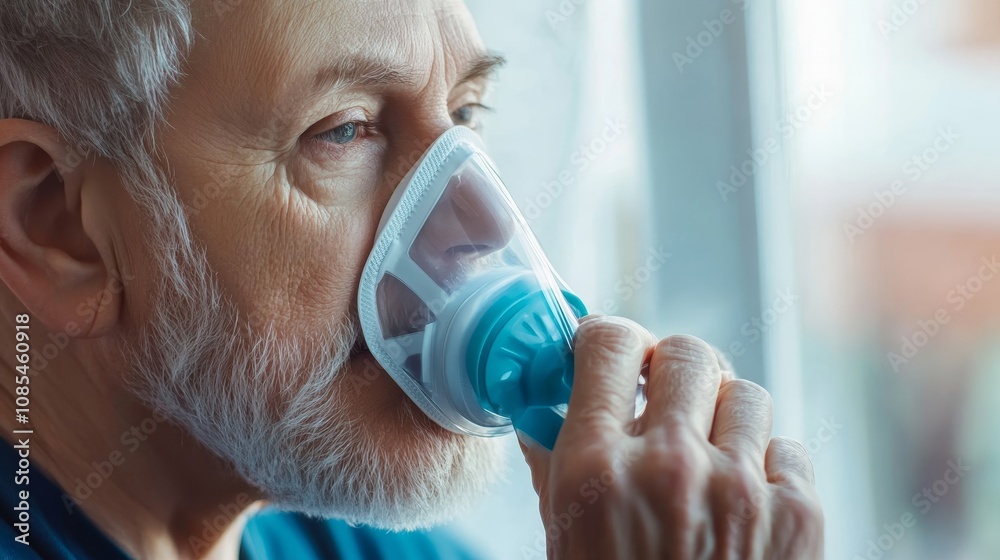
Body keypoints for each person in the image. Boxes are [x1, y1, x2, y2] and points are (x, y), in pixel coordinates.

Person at [0, 0, 823, 558]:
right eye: (345, 131)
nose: (471, 233)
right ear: (58, 227)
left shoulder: (342, 538)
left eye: (465, 116)